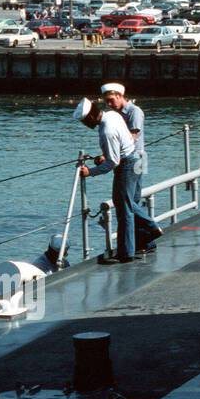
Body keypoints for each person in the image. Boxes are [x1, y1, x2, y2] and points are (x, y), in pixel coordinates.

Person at [73, 96, 158, 264]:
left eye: (84, 121)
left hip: (126, 165)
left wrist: (90, 172)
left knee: (124, 208)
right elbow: (121, 144)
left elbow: (113, 162)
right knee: (126, 202)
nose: (85, 125)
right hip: (135, 158)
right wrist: (103, 157)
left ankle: (129, 250)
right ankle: (145, 238)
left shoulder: (107, 130)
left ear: (90, 116)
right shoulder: (112, 115)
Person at [100, 82, 162, 250]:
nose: (109, 104)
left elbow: (131, 138)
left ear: (120, 96)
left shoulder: (135, 112)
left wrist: (109, 156)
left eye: (111, 100)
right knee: (132, 201)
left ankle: (151, 227)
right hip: (130, 158)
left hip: (137, 158)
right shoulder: (116, 115)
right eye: (107, 101)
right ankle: (146, 242)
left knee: (128, 201)